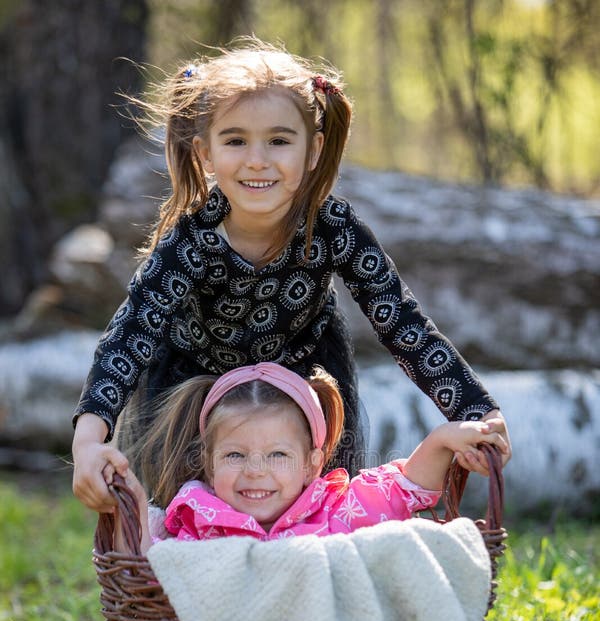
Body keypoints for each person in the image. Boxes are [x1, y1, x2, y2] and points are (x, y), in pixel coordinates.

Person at [72, 38, 511, 514]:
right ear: (204, 152)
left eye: (279, 141)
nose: (257, 159)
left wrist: (478, 414)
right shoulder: (190, 241)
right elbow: (129, 335)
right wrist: (89, 442)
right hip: (192, 391)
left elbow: (404, 326)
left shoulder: (333, 228)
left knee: (311, 519)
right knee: (189, 522)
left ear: (313, 150)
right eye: (235, 140)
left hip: (302, 385)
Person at [106, 362, 508, 554]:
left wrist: (442, 440)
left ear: (312, 465)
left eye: (278, 454)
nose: (255, 471)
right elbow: (144, 566)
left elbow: (404, 489)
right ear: (209, 463)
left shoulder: (335, 512)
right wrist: (129, 502)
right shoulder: (192, 518)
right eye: (234, 455)